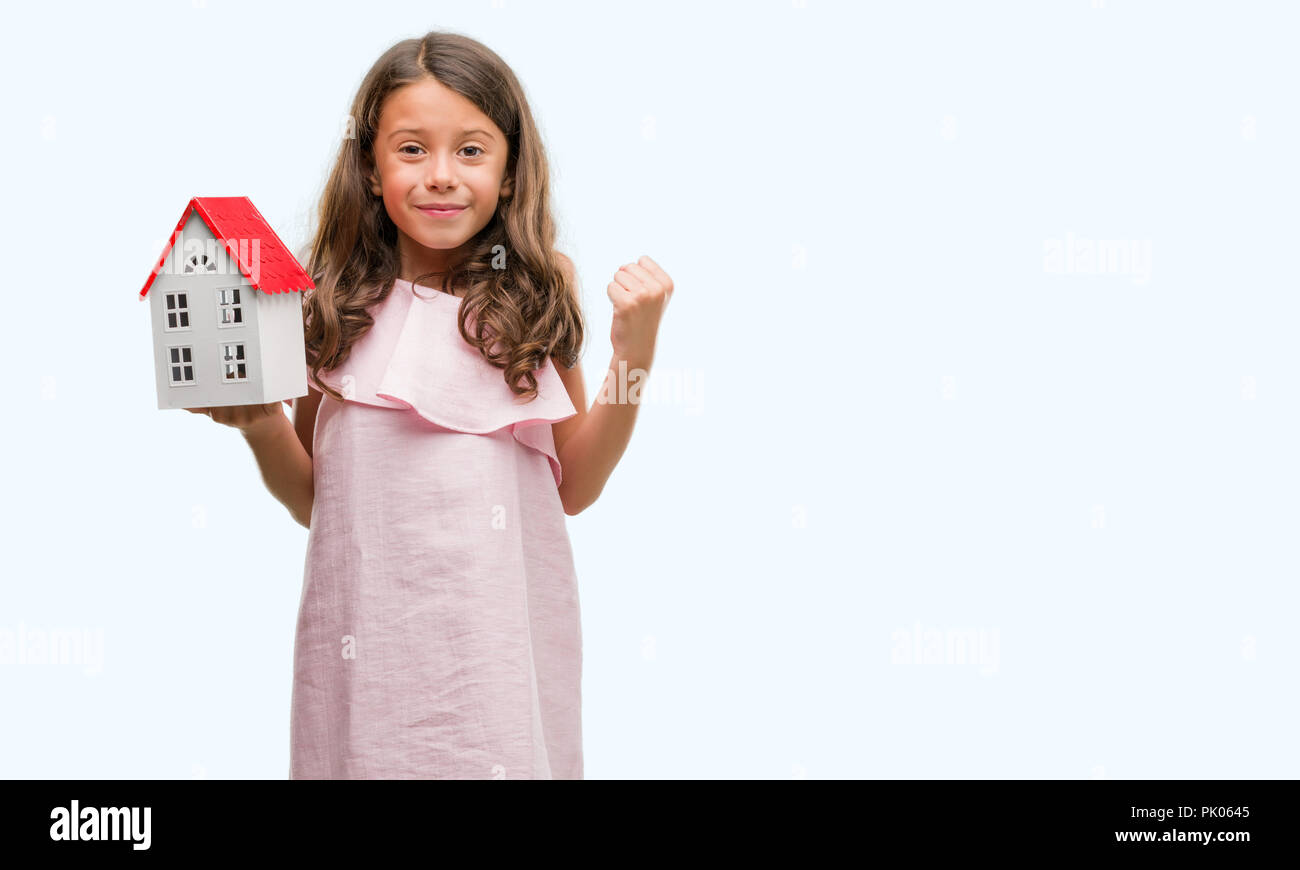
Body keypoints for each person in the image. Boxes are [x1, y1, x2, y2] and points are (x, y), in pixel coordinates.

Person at [185, 30, 673, 779]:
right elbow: (319, 498)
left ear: (510, 172)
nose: (441, 175)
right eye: (411, 149)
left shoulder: (536, 290)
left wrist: (633, 358)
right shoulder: (331, 298)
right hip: (368, 664)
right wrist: (258, 426)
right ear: (371, 167)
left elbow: (574, 485)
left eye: (471, 150)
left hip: (496, 668)